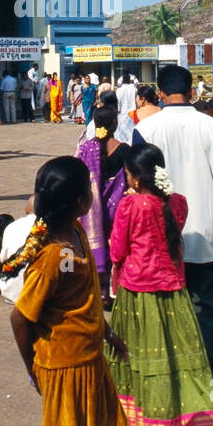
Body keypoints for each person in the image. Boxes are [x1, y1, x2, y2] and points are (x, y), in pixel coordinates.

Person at [11, 156, 142, 426]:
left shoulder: (77, 234)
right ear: (80, 200)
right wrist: (34, 367)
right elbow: (21, 317)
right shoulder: (53, 254)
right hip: (62, 369)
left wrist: (107, 334)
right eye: (88, 186)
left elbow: (81, 299)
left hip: (88, 361)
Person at [106, 143, 213, 426]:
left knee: (138, 360)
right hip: (174, 292)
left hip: (138, 293)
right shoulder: (177, 203)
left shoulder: (131, 207)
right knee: (184, 364)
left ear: (133, 179)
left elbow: (117, 250)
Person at [137, 64, 213, 410]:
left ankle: (176, 401)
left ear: (160, 93)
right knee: (211, 320)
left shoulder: (145, 128)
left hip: (162, 238)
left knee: (167, 319)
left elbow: (138, 188)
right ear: (192, 91)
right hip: (207, 232)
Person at [75, 106, 131, 303]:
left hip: (92, 208)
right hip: (116, 206)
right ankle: (114, 290)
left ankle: (97, 290)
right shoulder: (124, 149)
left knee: (94, 245)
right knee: (115, 245)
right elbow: (129, 178)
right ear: (115, 124)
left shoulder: (85, 148)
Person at [0, 197, 38, 304]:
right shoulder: (53, 228)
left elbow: (3, 258)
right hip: (38, 293)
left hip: (12, 292)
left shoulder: (11, 227)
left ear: (26, 210)